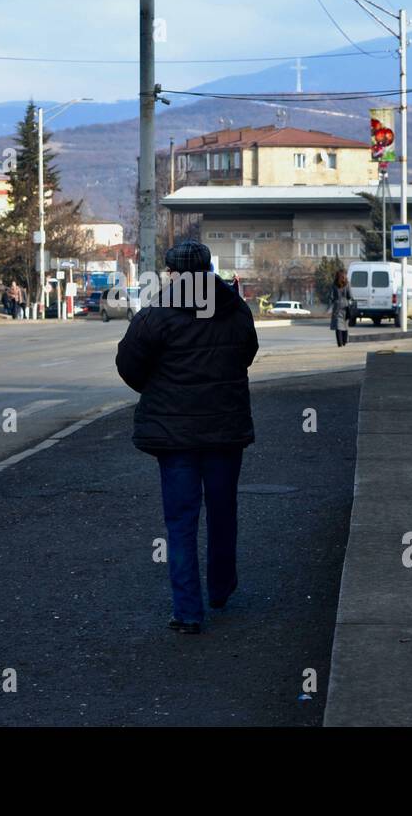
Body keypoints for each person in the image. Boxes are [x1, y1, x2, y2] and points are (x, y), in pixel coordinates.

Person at [115, 241, 259, 635]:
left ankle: (188, 612)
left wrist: (160, 388)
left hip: (174, 434)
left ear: (174, 273)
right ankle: (221, 588)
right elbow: (246, 354)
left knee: (181, 521)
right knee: (223, 509)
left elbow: (128, 367)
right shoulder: (235, 309)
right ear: (208, 269)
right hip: (224, 431)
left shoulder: (156, 315)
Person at [329, 269, 353, 348]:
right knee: (345, 325)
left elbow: (331, 297)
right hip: (345, 306)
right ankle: (345, 341)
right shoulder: (347, 284)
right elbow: (350, 296)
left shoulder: (334, 284)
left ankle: (340, 343)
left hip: (337, 306)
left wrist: (331, 301)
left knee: (338, 326)